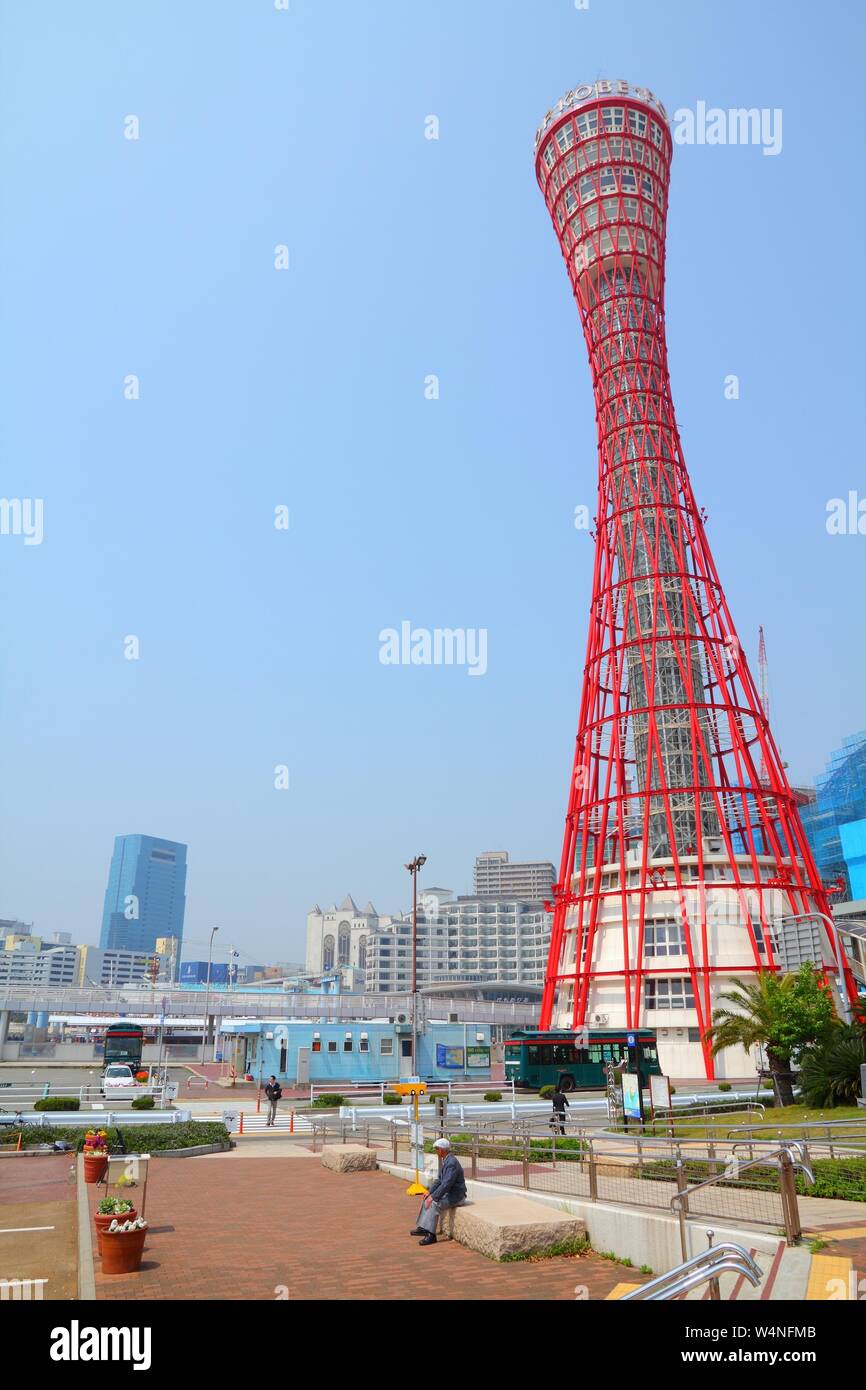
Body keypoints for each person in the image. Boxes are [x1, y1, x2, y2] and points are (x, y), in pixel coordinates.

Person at [410, 1137, 467, 1246]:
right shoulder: (446, 1160)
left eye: (437, 1149)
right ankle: (423, 1227)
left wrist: (433, 1197)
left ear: (441, 1150)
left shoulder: (451, 1163)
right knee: (427, 1198)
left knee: (434, 1203)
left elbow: (446, 1184)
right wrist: (429, 1193)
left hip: (457, 1196)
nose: (436, 1151)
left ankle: (431, 1235)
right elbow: (439, 1180)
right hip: (450, 1194)